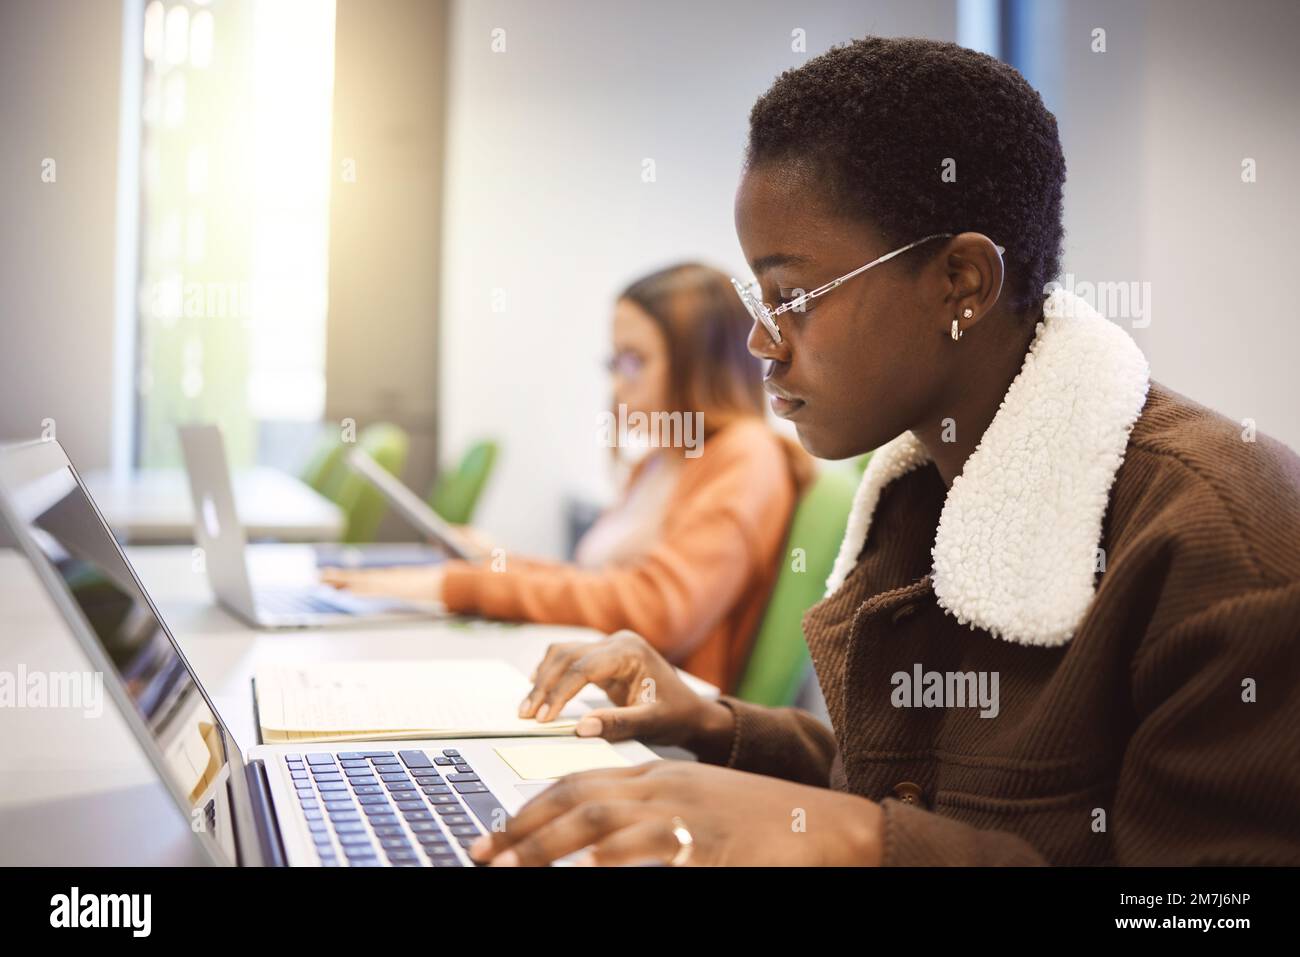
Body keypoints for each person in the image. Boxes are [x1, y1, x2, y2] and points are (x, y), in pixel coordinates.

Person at [467, 37, 1300, 867]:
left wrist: (868, 843)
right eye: (759, 299)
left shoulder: (1222, 537)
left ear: (961, 285)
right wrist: (714, 721)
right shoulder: (928, 484)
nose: (761, 341)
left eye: (793, 298)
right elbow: (909, 785)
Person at [324, 263, 811, 693]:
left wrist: (461, 586)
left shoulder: (745, 456)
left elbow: (656, 610)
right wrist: (494, 564)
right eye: (614, 361)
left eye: (635, 361)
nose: (617, 384)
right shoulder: (660, 463)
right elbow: (599, 583)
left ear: (702, 365)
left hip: (659, 725)